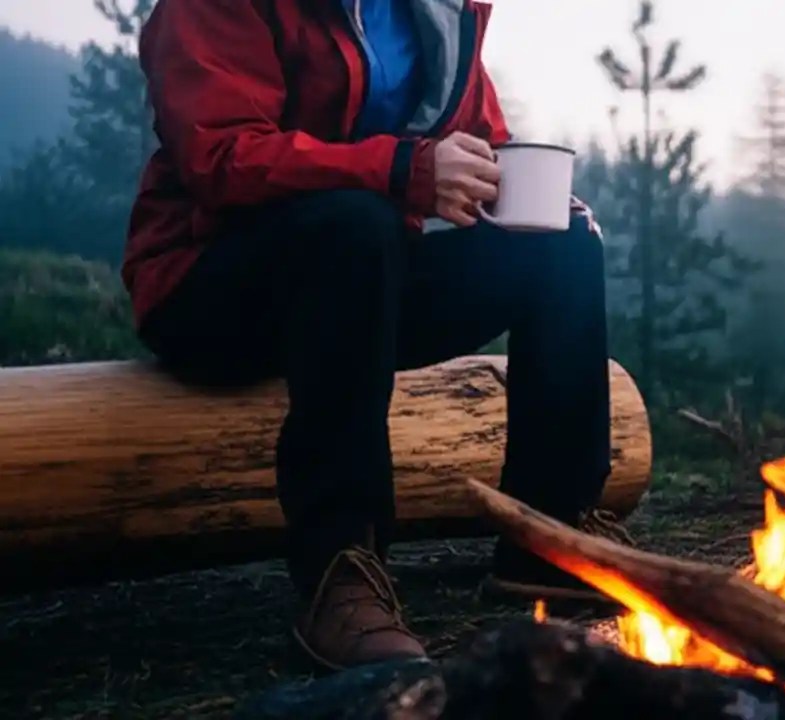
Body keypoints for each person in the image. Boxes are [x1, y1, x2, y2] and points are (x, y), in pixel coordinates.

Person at [124, 0, 624, 671]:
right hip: (209, 288)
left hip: (358, 290)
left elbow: (476, 137)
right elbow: (220, 157)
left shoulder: (438, 11)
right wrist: (400, 172)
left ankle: (552, 539)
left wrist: (509, 190)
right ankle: (342, 570)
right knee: (354, 226)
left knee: (563, 246)